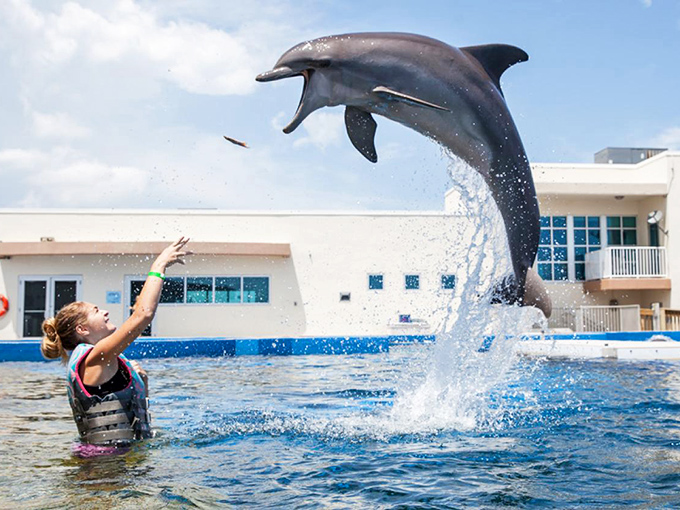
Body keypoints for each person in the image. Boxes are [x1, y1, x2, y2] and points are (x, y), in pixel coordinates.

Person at [40, 237, 190, 448]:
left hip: (115, 463)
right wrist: (159, 265)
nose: (105, 311)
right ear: (82, 329)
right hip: (103, 470)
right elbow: (143, 315)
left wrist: (142, 384)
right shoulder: (94, 358)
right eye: (96, 310)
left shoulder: (101, 360)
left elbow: (125, 413)